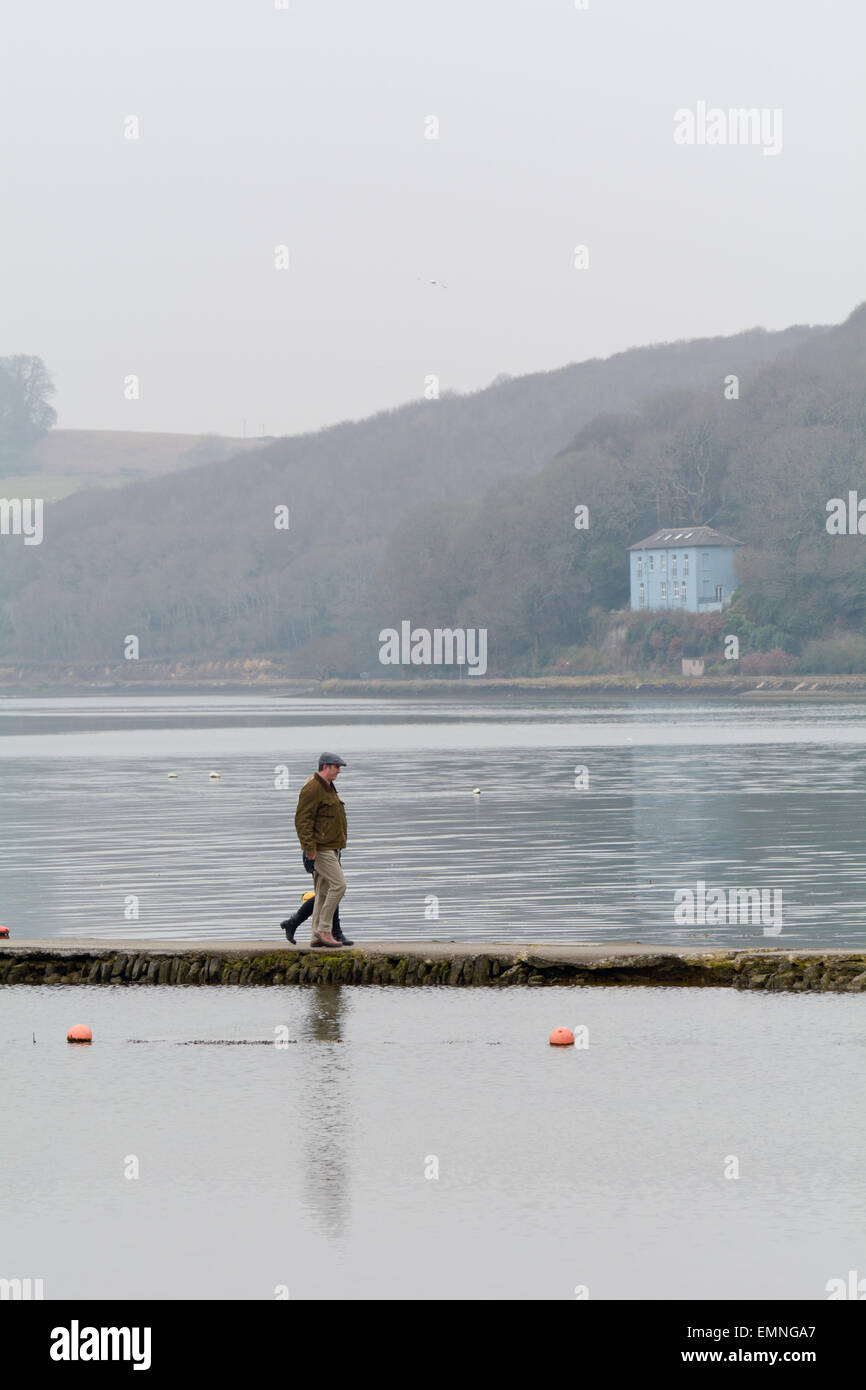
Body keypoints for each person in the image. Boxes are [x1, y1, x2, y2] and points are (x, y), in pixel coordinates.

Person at [293, 753, 351, 947]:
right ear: (326, 767)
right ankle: (324, 930)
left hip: (331, 847)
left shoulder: (327, 788)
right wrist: (309, 848)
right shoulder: (313, 788)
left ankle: (315, 937)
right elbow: (302, 821)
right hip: (321, 849)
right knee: (339, 885)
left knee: (323, 892)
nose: (339, 771)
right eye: (337, 767)